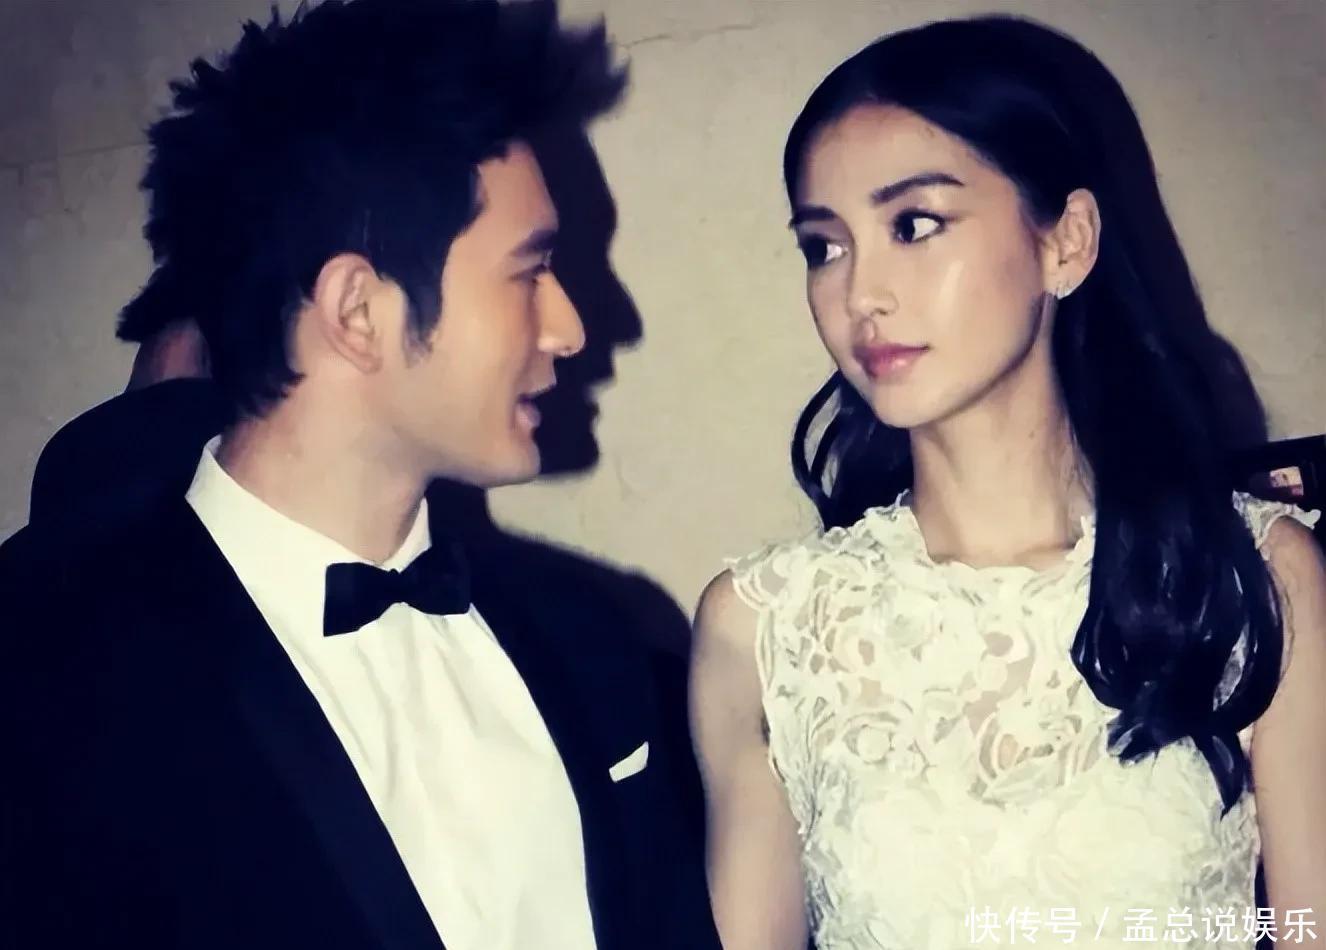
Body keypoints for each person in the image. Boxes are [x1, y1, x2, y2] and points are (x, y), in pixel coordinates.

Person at [0, 2, 718, 948]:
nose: (572, 328)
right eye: (528, 271)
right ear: (357, 312)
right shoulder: (43, 669)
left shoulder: (592, 636)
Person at [690, 15, 1325, 950]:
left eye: (913, 225)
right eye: (824, 246)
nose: (860, 293)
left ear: (1065, 243)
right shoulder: (763, 630)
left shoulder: (1256, 574)